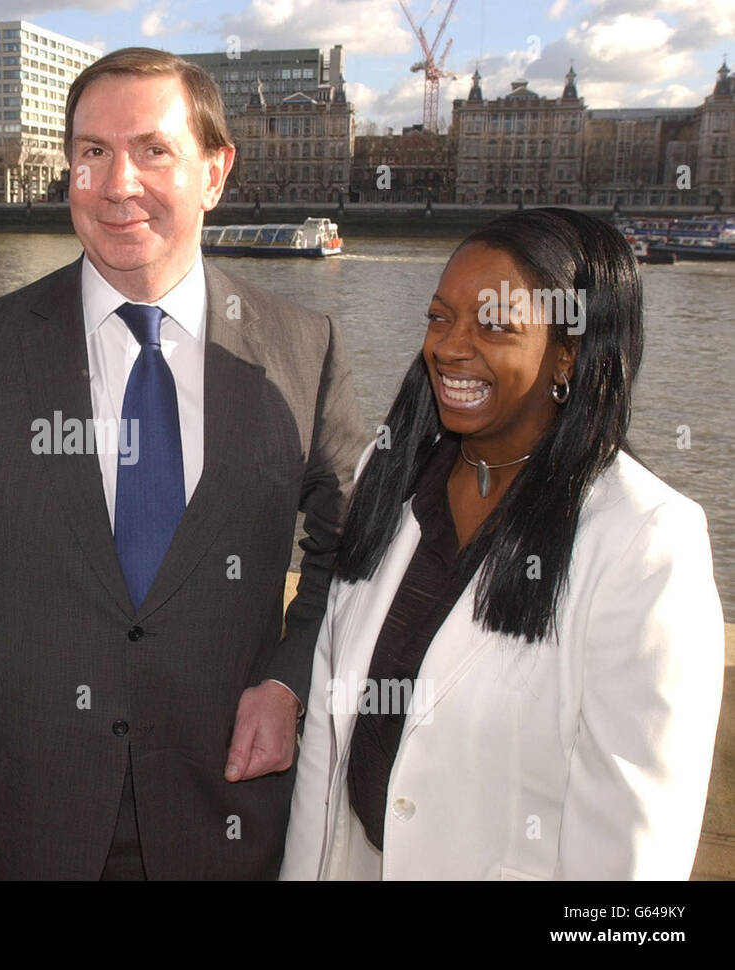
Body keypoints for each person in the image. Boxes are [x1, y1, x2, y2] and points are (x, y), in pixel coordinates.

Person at [0, 47, 367, 880]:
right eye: (91, 153)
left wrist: (290, 679)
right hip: (23, 800)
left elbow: (350, 547)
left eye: (153, 150)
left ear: (215, 171)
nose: (117, 185)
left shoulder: (304, 349)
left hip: (223, 799)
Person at [280, 207, 725, 880]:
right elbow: (327, 741)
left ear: (568, 354)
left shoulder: (645, 542)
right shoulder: (390, 471)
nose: (449, 346)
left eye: (493, 325)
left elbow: (631, 852)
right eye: (438, 317)